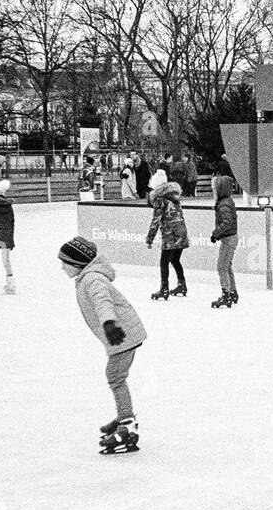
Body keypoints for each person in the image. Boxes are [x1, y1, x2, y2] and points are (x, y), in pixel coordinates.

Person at [59, 237, 147, 455]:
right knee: (116, 376)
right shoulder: (87, 277)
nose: (62, 267)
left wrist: (109, 322)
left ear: (78, 263)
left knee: (115, 377)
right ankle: (123, 414)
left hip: (121, 333)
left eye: (65, 263)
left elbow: (102, 301)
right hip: (122, 333)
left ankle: (126, 424)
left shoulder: (92, 280)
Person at [146, 179, 189, 300]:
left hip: (171, 235)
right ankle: (182, 284)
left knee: (164, 262)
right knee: (175, 260)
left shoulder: (160, 201)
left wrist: (149, 239)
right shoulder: (176, 200)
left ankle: (164, 289)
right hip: (181, 234)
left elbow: (155, 221)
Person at [209, 174, 238, 308]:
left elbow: (227, 222)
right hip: (230, 237)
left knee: (221, 267)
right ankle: (232, 292)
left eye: (215, 188)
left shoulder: (224, 204)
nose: (214, 191)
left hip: (228, 238)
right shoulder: (225, 201)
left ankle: (226, 294)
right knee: (227, 267)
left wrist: (215, 234)